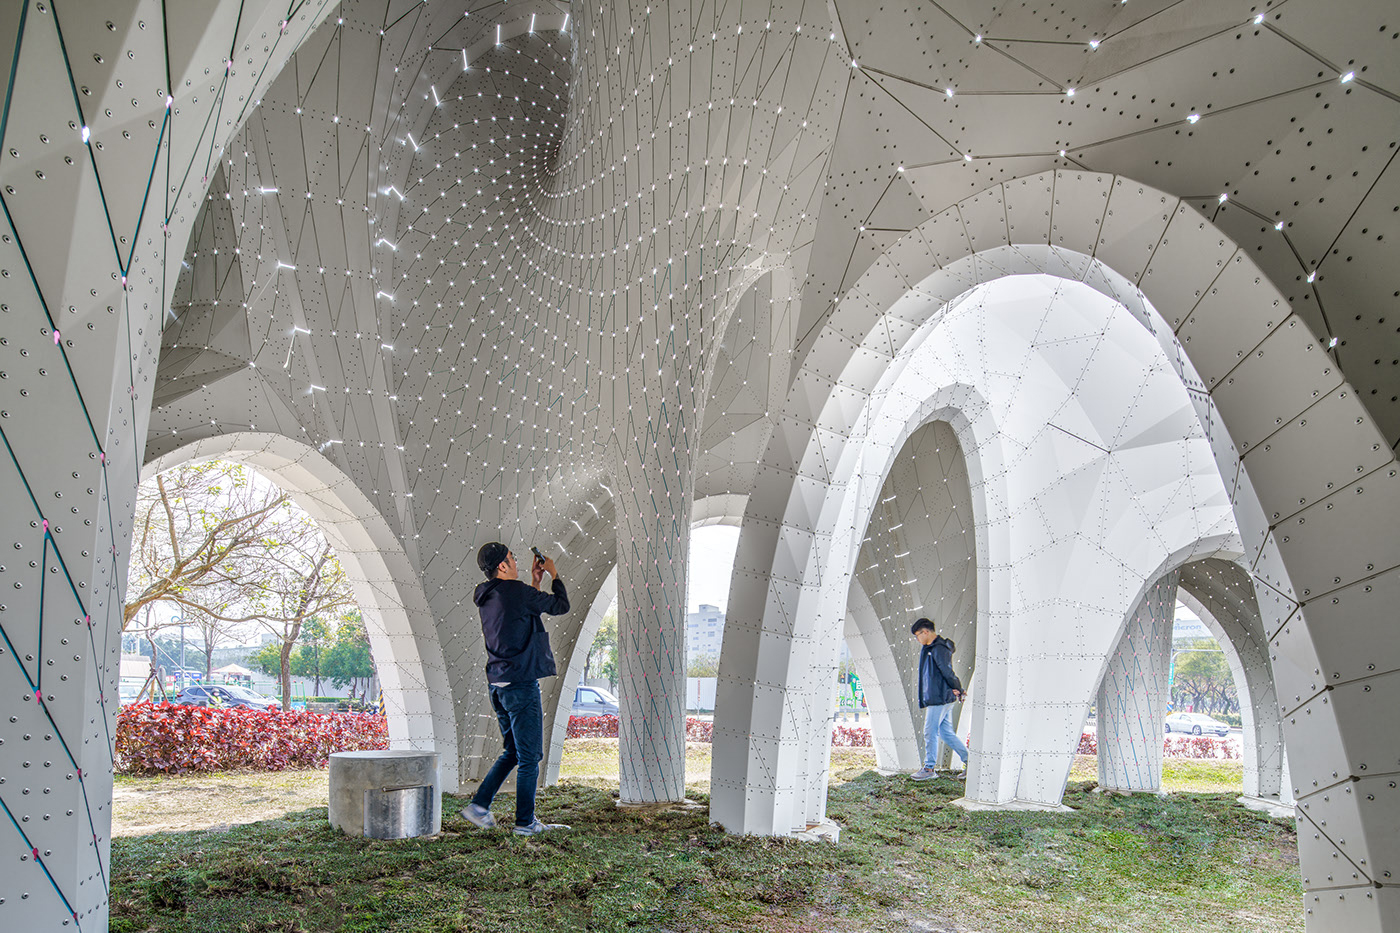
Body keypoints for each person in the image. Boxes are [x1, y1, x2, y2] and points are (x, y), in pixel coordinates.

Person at [460, 542, 571, 835]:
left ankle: (479, 806)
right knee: (530, 756)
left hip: (498, 684)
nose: (516, 561)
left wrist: (535, 582)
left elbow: (521, 617)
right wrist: (553, 573)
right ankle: (525, 823)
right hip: (521, 686)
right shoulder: (519, 594)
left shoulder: (488, 596)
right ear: (502, 566)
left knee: (512, 750)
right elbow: (561, 606)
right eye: (512, 558)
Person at [909, 617, 969, 781]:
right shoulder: (931, 648)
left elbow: (947, 672)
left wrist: (959, 687)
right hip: (942, 697)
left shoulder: (939, 649)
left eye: (917, 635)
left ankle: (929, 768)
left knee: (930, 732)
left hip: (939, 698)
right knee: (946, 733)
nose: (917, 639)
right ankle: (970, 762)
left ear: (926, 632)